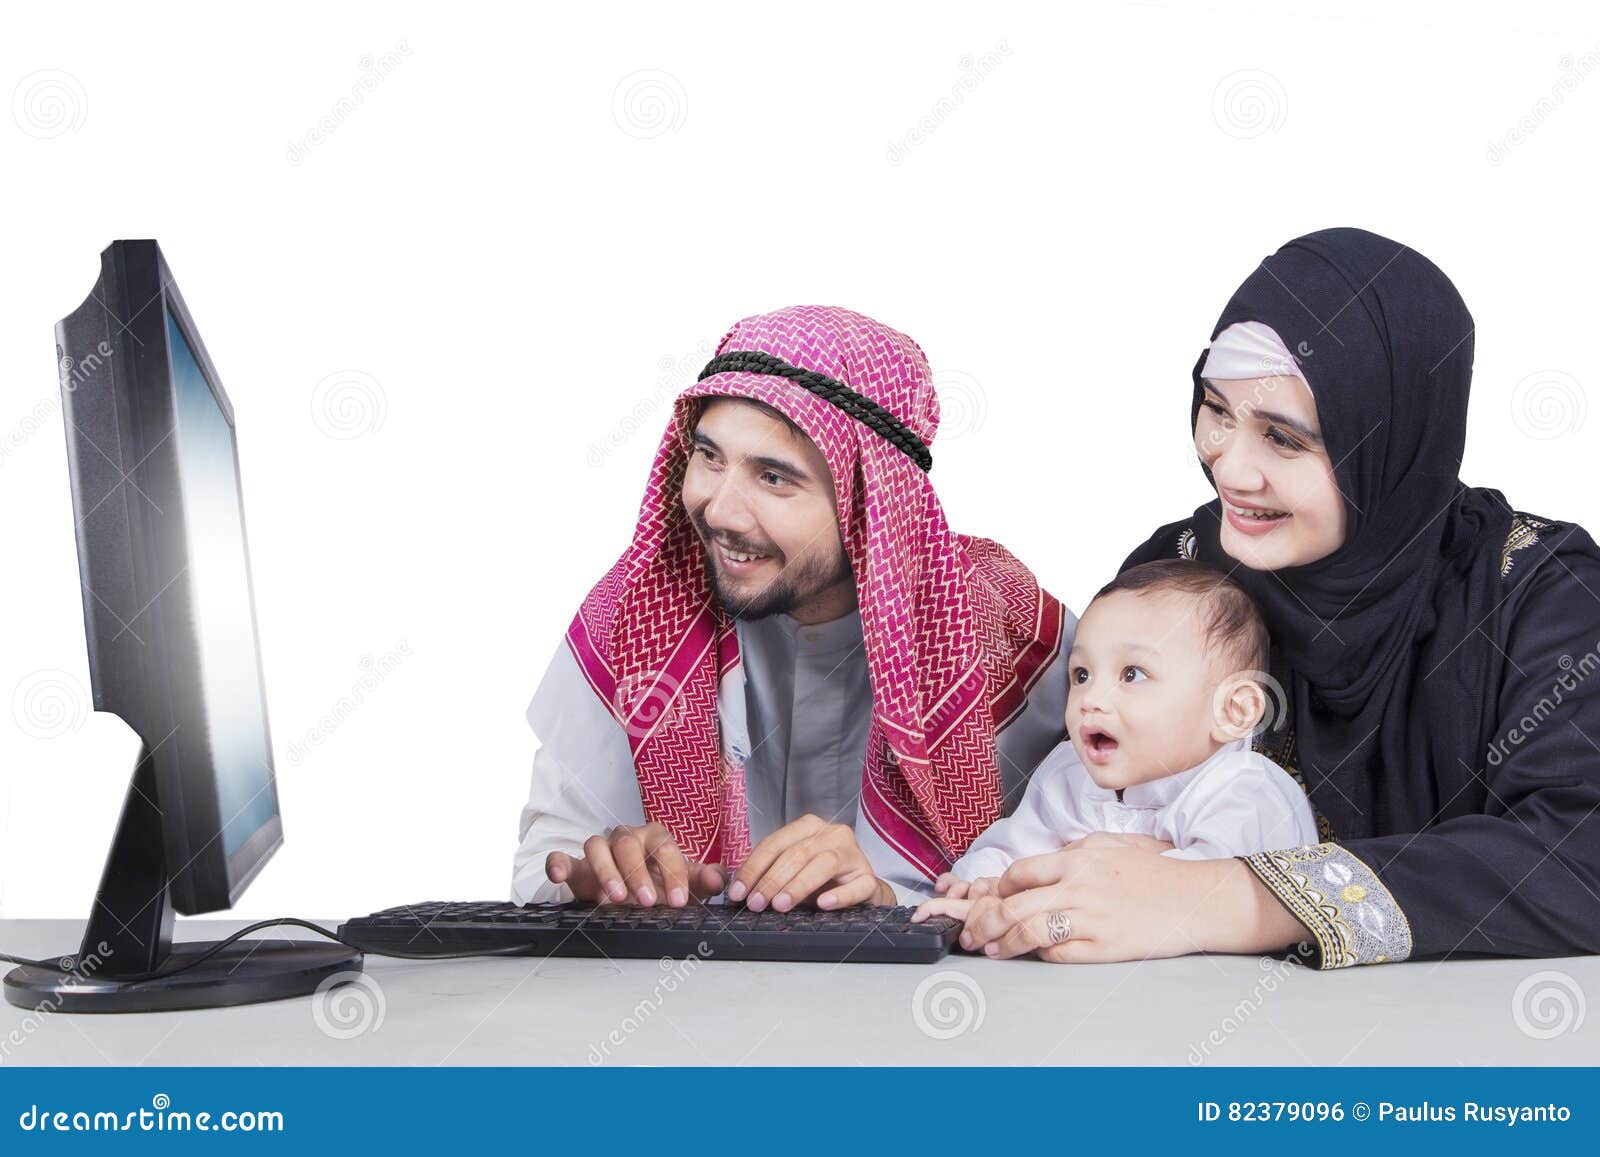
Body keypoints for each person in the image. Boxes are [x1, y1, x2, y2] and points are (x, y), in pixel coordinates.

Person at [955, 228, 1600, 968]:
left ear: (1394, 442)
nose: (1233, 470)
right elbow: (1077, 810)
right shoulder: (1181, 576)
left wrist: (1220, 898)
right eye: (1217, 411)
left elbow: (1583, 852)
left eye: (1285, 440)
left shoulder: (1537, 592)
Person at [510, 305, 1071, 912]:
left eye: (774, 477)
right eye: (709, 456)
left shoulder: (1002, 625)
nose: (719, 511)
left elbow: (1090, 878)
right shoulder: (638, 608)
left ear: (870, 500)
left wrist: (888, 901)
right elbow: (544, 860)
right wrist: (593, 878)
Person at [911, 559, 1318, 939]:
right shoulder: (1068, 773)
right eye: (1082, 674)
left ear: (1233, 710)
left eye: (1132, 674)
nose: (1091, 698)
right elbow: (1014, 848)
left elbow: (1205, 894)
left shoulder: (1245, 792)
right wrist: (976, 886)